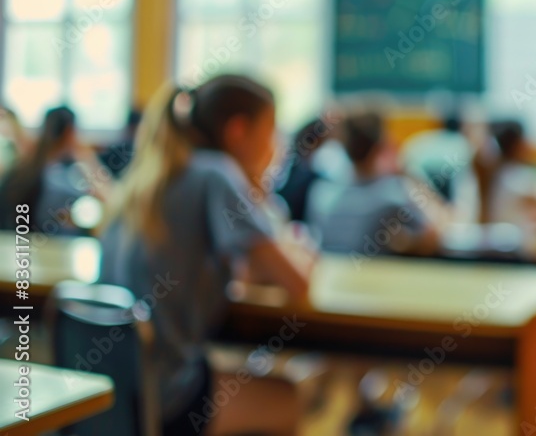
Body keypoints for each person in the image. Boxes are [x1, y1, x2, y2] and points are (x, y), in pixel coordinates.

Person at [99, 75, 314, 436]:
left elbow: (242, 267)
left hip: (113, 392)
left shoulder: (149, 175)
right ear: (238, 130)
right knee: (292, 395)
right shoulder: (216, 173)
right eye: (271, 131)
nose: (277, 147)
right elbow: (296, 279)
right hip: (165, 397)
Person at [307, 109, 444, 256]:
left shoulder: (320, 192)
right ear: (382, 147)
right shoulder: (392, 193)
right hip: (372, 276)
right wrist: (408, 173)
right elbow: (436, 233)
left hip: (332, 276)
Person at [0, 106, 109, 234]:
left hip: (16, 244)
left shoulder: (27, 166)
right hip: (49, 248)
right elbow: (112, 201)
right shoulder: (58, 177)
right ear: (70, 132)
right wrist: (87, 157)